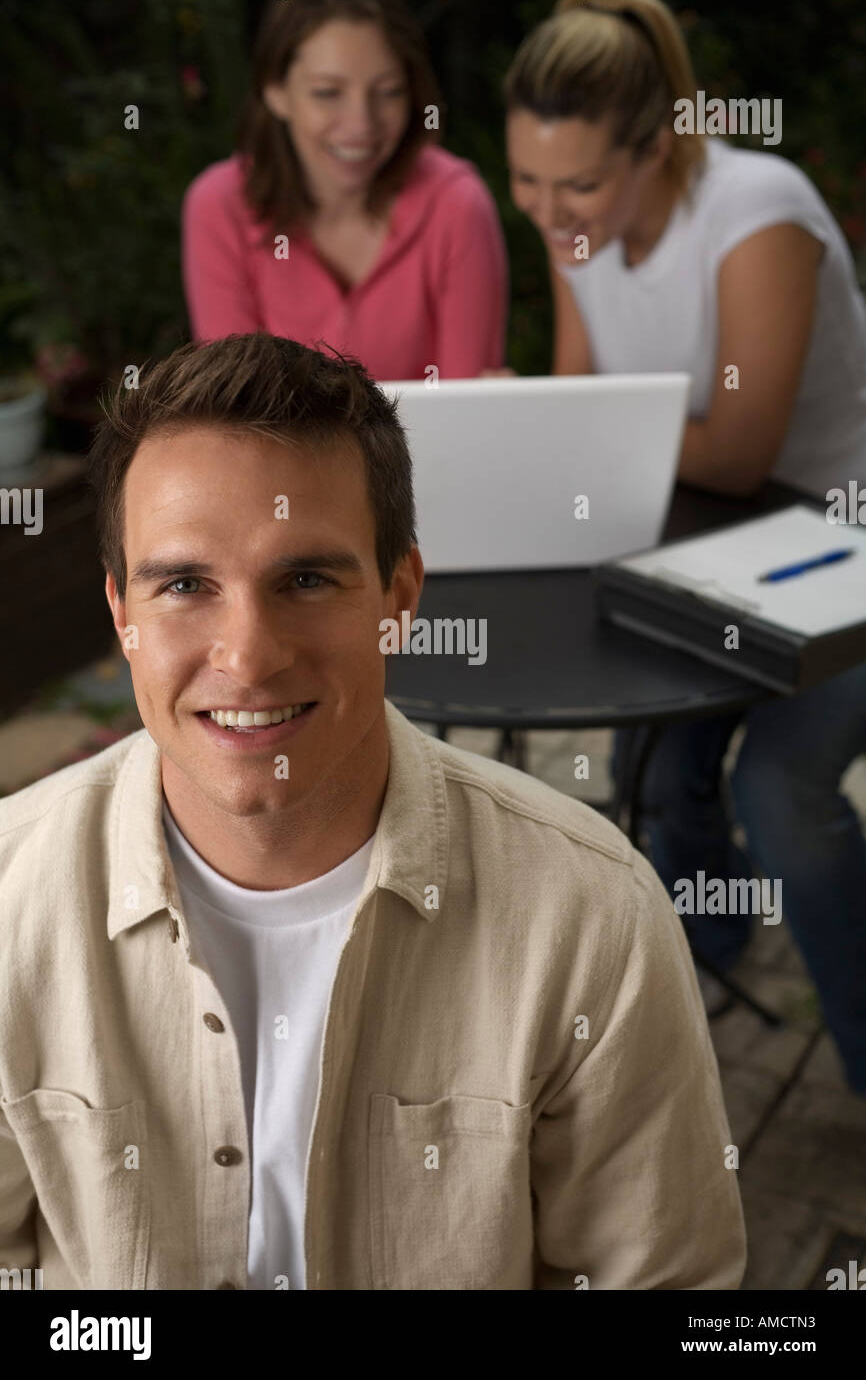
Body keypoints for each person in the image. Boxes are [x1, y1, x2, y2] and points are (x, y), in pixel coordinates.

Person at [0, 332, 745, 1290]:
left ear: (399, 596)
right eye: (185, 584)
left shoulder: (592, 916)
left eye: (306, 579)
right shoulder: (14, 899)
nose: (250, 656)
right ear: (121, 615)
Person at [502, 0, 866, 1091]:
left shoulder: (755, 209)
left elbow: (742, 445)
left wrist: (592, 433)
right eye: (524, 180)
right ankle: (706, 956)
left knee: (778, 794)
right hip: (706, 541)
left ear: (657, 145)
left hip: (834, 531)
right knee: (651, 767)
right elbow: (581, 404)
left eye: (577, 184)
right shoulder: (580, 221)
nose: (549, 213)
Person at [181, 0, 507, 381]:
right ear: (276, 91)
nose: (361, 126)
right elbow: (233, 407)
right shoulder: (218, 206)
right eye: (328, 92)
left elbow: (466, 407)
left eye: (388, 91)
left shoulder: (458, 204)